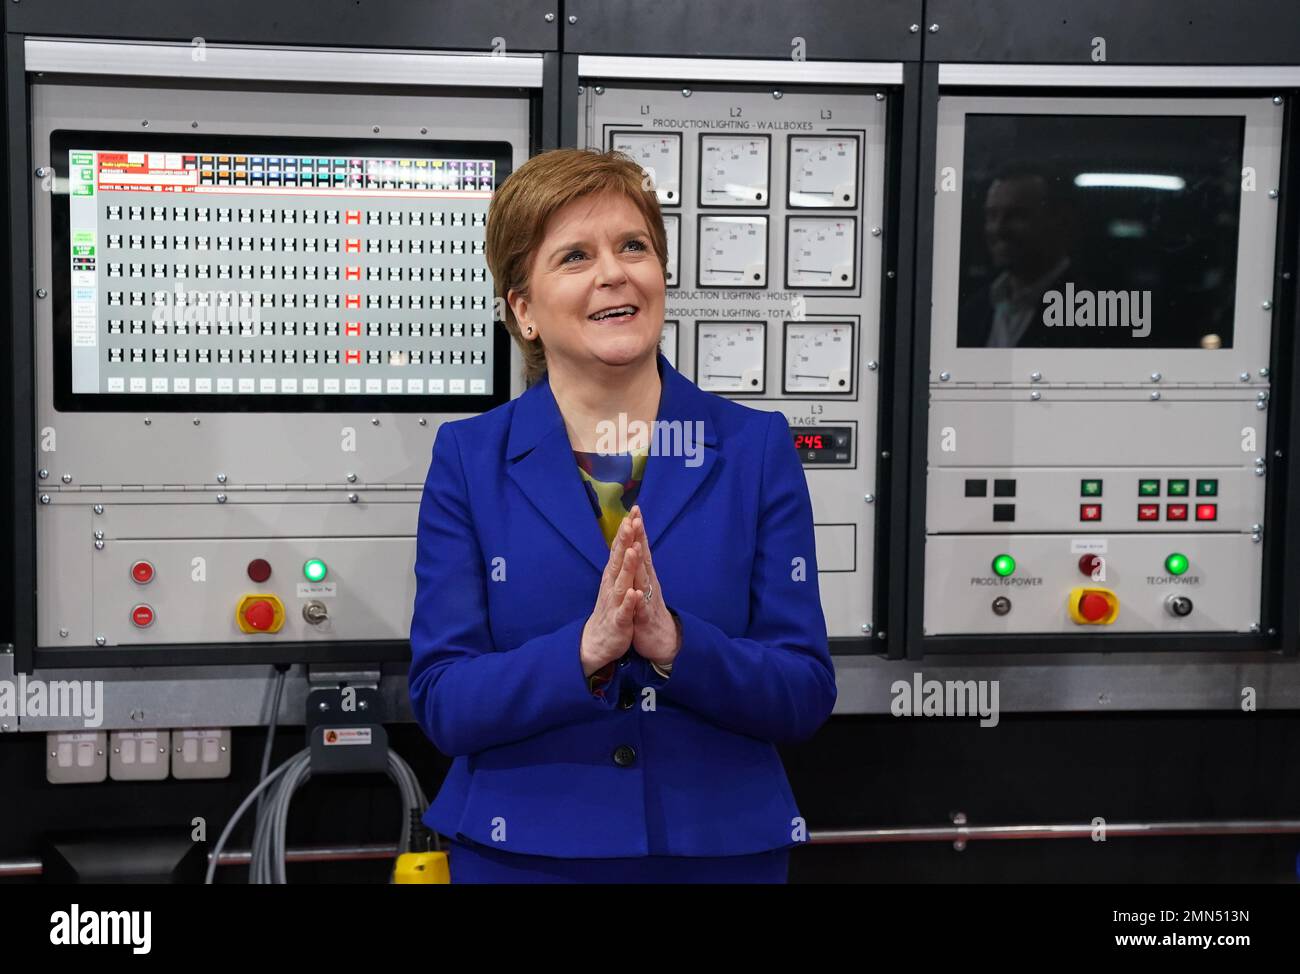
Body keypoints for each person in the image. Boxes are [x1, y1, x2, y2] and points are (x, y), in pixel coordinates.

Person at [408, 147, 837, 883]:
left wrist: (675, 645)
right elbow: (444, 701)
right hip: (525, 859)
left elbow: (802, 693)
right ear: (523, 310)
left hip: (716, 854)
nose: (614, 272)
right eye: (575, 256)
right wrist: (584, 651)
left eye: (633, 246)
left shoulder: (754, 447)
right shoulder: (468, 460)